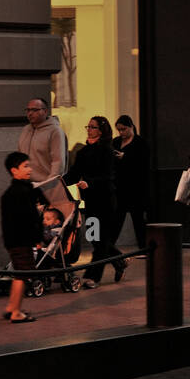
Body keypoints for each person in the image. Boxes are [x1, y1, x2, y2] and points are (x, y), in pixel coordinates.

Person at [69, 116, 124, 286]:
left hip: (105, 201)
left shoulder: (107, 151)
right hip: (91, 202)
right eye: (88, 126)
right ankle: (119, 261)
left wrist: (89, 183)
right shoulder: (83, 152)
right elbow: (73, 174)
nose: (89, 129)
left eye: (92, 127)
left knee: (100, 242)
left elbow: (107, 176)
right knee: (94, 237)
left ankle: (93, 276)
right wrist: (57, 183)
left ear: (101, 131)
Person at [0, 152, 41, 323]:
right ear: (14, 170)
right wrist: (38, 238)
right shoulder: (24, 191)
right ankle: (16, 311)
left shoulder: (10, 192)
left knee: (19, 273)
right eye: (25, 166)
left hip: (12, 240)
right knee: (22, 275)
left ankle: (11, 307)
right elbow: (30, 218)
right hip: (22, 240)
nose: (29, 169)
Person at [111, 115, 149, 250]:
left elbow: (143, 164)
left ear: (131, 127)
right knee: (117, 218)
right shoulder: (115, 142)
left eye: (124, 129)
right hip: (120, 186)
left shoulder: (140, 143)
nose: (121, 133)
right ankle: (109, 246)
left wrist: (125, 157)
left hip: (135, 186)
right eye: (119, 130)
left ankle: (143, 247)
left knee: (137, 218)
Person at [18, 97, 67, 184]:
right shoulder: (26, 130)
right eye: (28, 110)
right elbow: (19, 156)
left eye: (34, 110)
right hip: (26, 184)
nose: (30, 113)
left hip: (45, 184)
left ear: (45, 111)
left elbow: (58, 162)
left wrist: (49, 184)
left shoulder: (55, 131)